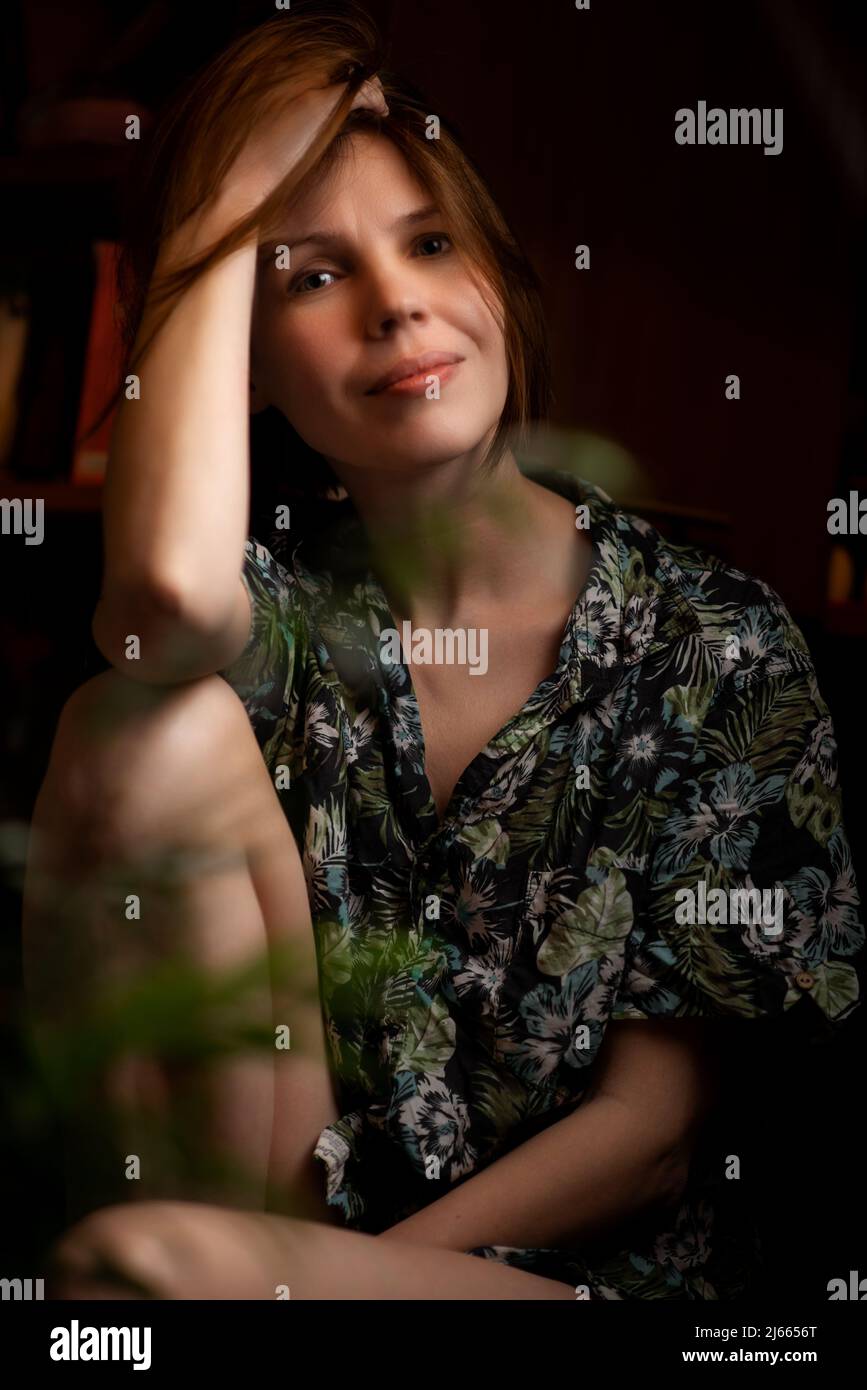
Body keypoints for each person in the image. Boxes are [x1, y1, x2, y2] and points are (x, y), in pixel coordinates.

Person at [23, 4, 862, 1300]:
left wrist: (300, 1281)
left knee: (143, 1266)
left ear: (502, 286)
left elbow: (655, 1138)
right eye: (309, 273)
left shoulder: (717, 646)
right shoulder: (275, 620)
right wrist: (207, 224)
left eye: (429, 243)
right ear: (242, 358)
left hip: (573, 1285)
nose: (396, 300)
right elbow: (161, 601)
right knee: (134, 724)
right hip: (259, 1237)